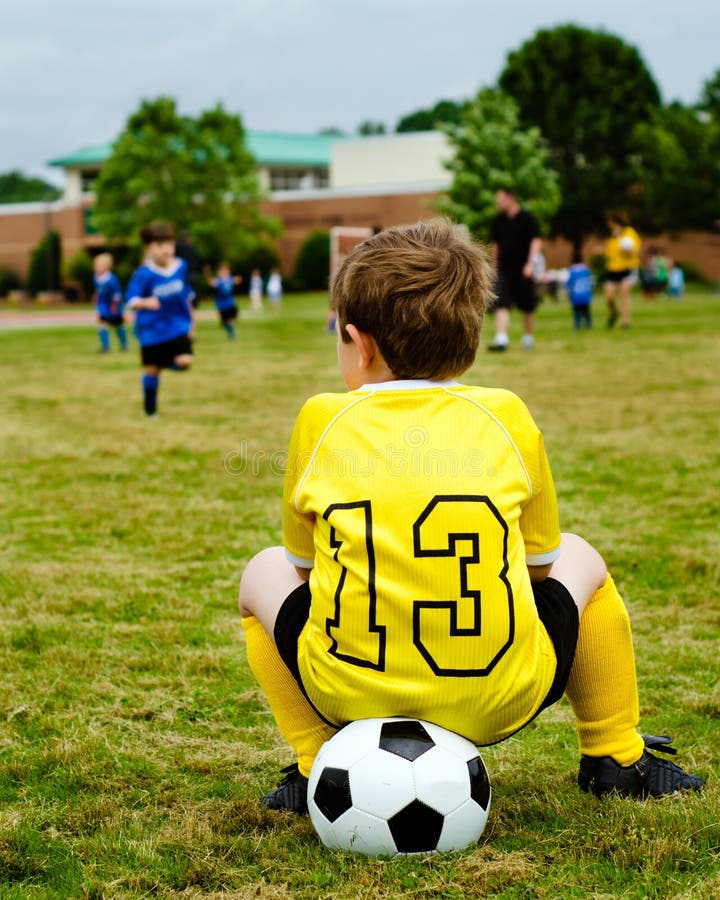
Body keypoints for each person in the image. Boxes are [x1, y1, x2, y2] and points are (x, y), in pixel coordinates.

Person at [238, 219, 704, 814]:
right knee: (581, 556)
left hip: (347, 693)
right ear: (472, 337)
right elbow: (540, 570)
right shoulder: (506, 414)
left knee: (263, 571)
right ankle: (614, 752)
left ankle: (315, 764)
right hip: (503, 696)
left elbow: (303, 572)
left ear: (360, 343)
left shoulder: (319, 419)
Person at [125, 222, 195, 417]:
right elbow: (130, 300)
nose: (166, 249)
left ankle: (164, 361)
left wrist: (191, 322)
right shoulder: (144, 274)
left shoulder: (181, 266)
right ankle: (150, 410)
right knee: (152, 372)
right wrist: (145, 303)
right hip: (152, 331)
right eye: (159, 245)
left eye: (169, 244)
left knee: (185, 361)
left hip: (177, 326)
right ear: (148, 248)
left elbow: (186, 295)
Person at [487, 187, 543, 351]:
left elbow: (536, 241)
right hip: (504, 269)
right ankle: (501, 339)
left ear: (511, 198)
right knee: (501, 303)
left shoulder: (528, 218)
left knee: (527, 306)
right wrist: (494, 266)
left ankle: (528, 338)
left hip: (524, 268)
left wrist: (531, 263)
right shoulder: (498, 220)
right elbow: (495, 245)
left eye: (500, 198)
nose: (497, 201)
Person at [603, 212, 641, 329]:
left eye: (610, 221)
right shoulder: (611, 237)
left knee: (624, 294)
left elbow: (636, 251)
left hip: (627, 268)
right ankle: (614, 312)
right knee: (609, 297)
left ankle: (626, 322)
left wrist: (627, 250)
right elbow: (609, 253)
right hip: (613, 269)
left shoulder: (629, 233)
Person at [92, 252, 128, 352]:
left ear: (106, 267)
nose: (96, 267)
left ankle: (124, 345)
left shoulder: (111, 280)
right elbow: (98, 290)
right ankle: (105, 346)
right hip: (103, 305)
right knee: (102, 322)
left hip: (113, 305)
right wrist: (95, 296)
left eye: (98, 265)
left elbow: (117, 295)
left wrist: (114, 306)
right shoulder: (96, 277)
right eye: (95, 265)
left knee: (118, 324)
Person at [207, 263, 242, 339]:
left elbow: (237, 280)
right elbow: (212, 282)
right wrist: (208, 273)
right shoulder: (218, 281)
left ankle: (231, 332)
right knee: (225, 321)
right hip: (221, 304)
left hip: (230, 303)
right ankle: (230, 331)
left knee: (232, 318)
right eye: (221, 271)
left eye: (225, 271)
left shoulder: (230, 279)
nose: (223, 273)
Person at [565, 254, 594, 330]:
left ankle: (577, 325)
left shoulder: (571, 270)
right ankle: (589, 324)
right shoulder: (586, 269)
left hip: (576, 296)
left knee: (577, 312)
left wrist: (568, 296)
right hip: (586, 295)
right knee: (586, 311)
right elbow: (591, 283)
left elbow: (568, 284)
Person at [175, 232, 202, 309]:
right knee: (193, 295)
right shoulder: (193, 249)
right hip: (193, 274)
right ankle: (192, 309)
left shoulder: (178, 247)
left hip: (184, 275)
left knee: (185, 293)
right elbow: (199, 261)